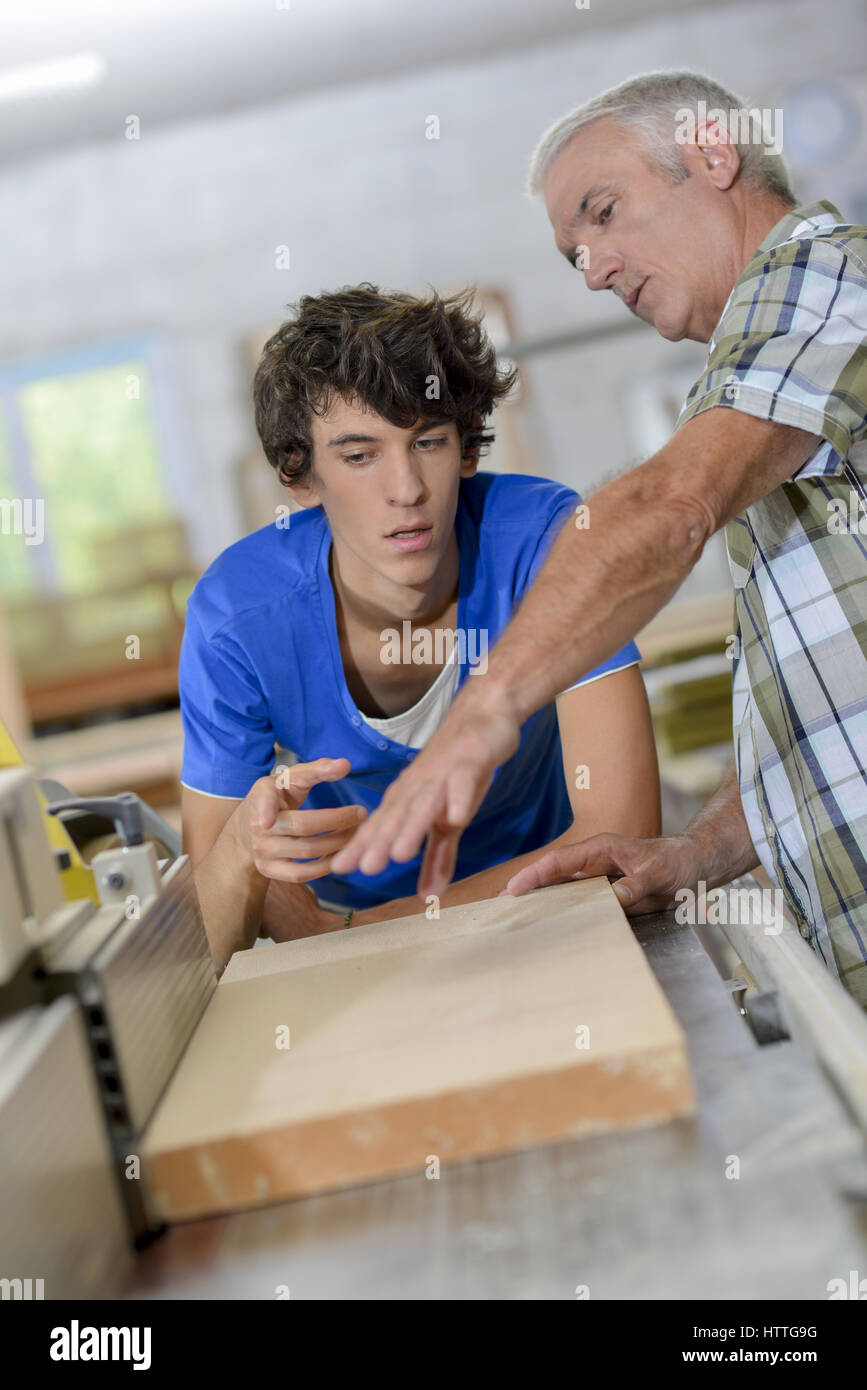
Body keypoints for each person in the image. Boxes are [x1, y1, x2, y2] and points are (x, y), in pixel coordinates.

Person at [331, 72, 867, 1009]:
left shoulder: (820, 279)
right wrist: (697, 852)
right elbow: (829, 698)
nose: (592, 268)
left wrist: (487, 707)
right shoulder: (761, 369)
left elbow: (667, 506)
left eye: (603, 212)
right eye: (573, 252)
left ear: (712, 154)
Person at [179, 285, 660, 973]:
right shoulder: (237, 616)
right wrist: (242, 852)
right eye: (359, 456)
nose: (405, 489)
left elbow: (619, 838)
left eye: (428, 441)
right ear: (300, 477)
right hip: (357, 960)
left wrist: (350, 931)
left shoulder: (545, 542)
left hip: (551, 916)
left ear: (466, 449)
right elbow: (207, 932)